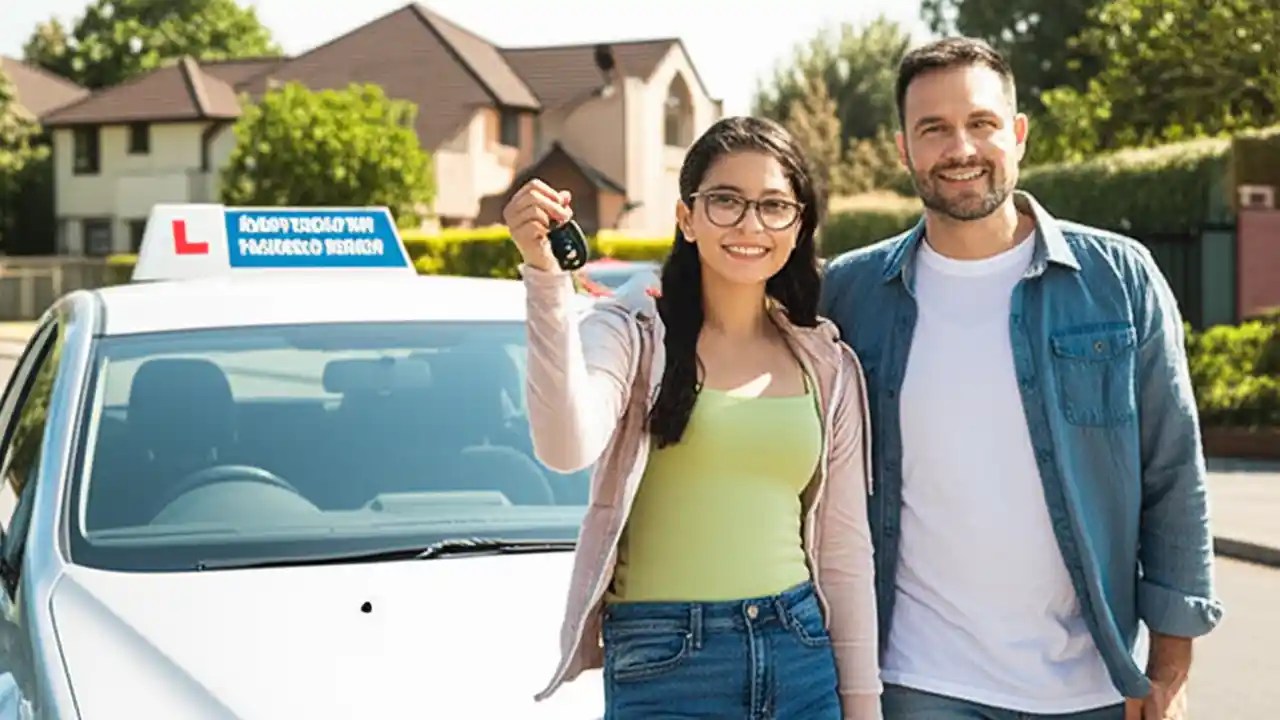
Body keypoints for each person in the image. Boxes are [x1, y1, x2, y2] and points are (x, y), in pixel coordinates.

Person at [819, 37, 1223, 720]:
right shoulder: (852, 292)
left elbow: (1173, 473)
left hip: (1095, 683)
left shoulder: (1117, 281)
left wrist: (1170, 668)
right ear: (903, 150)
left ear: (1019, 134)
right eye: (934, 129)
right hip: (920, 679)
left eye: (981, 124)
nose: (961, 149)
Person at [504, 116, 882, 719]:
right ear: (687, 217)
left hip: (800, 649)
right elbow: (565, 446)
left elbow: (843, 552)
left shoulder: (826, 362)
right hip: (668, 662)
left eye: (774, 206)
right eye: (726, 201)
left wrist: (863, 709)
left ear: (799, 224)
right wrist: (547, 282)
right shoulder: (632, 331)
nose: (750, 224)